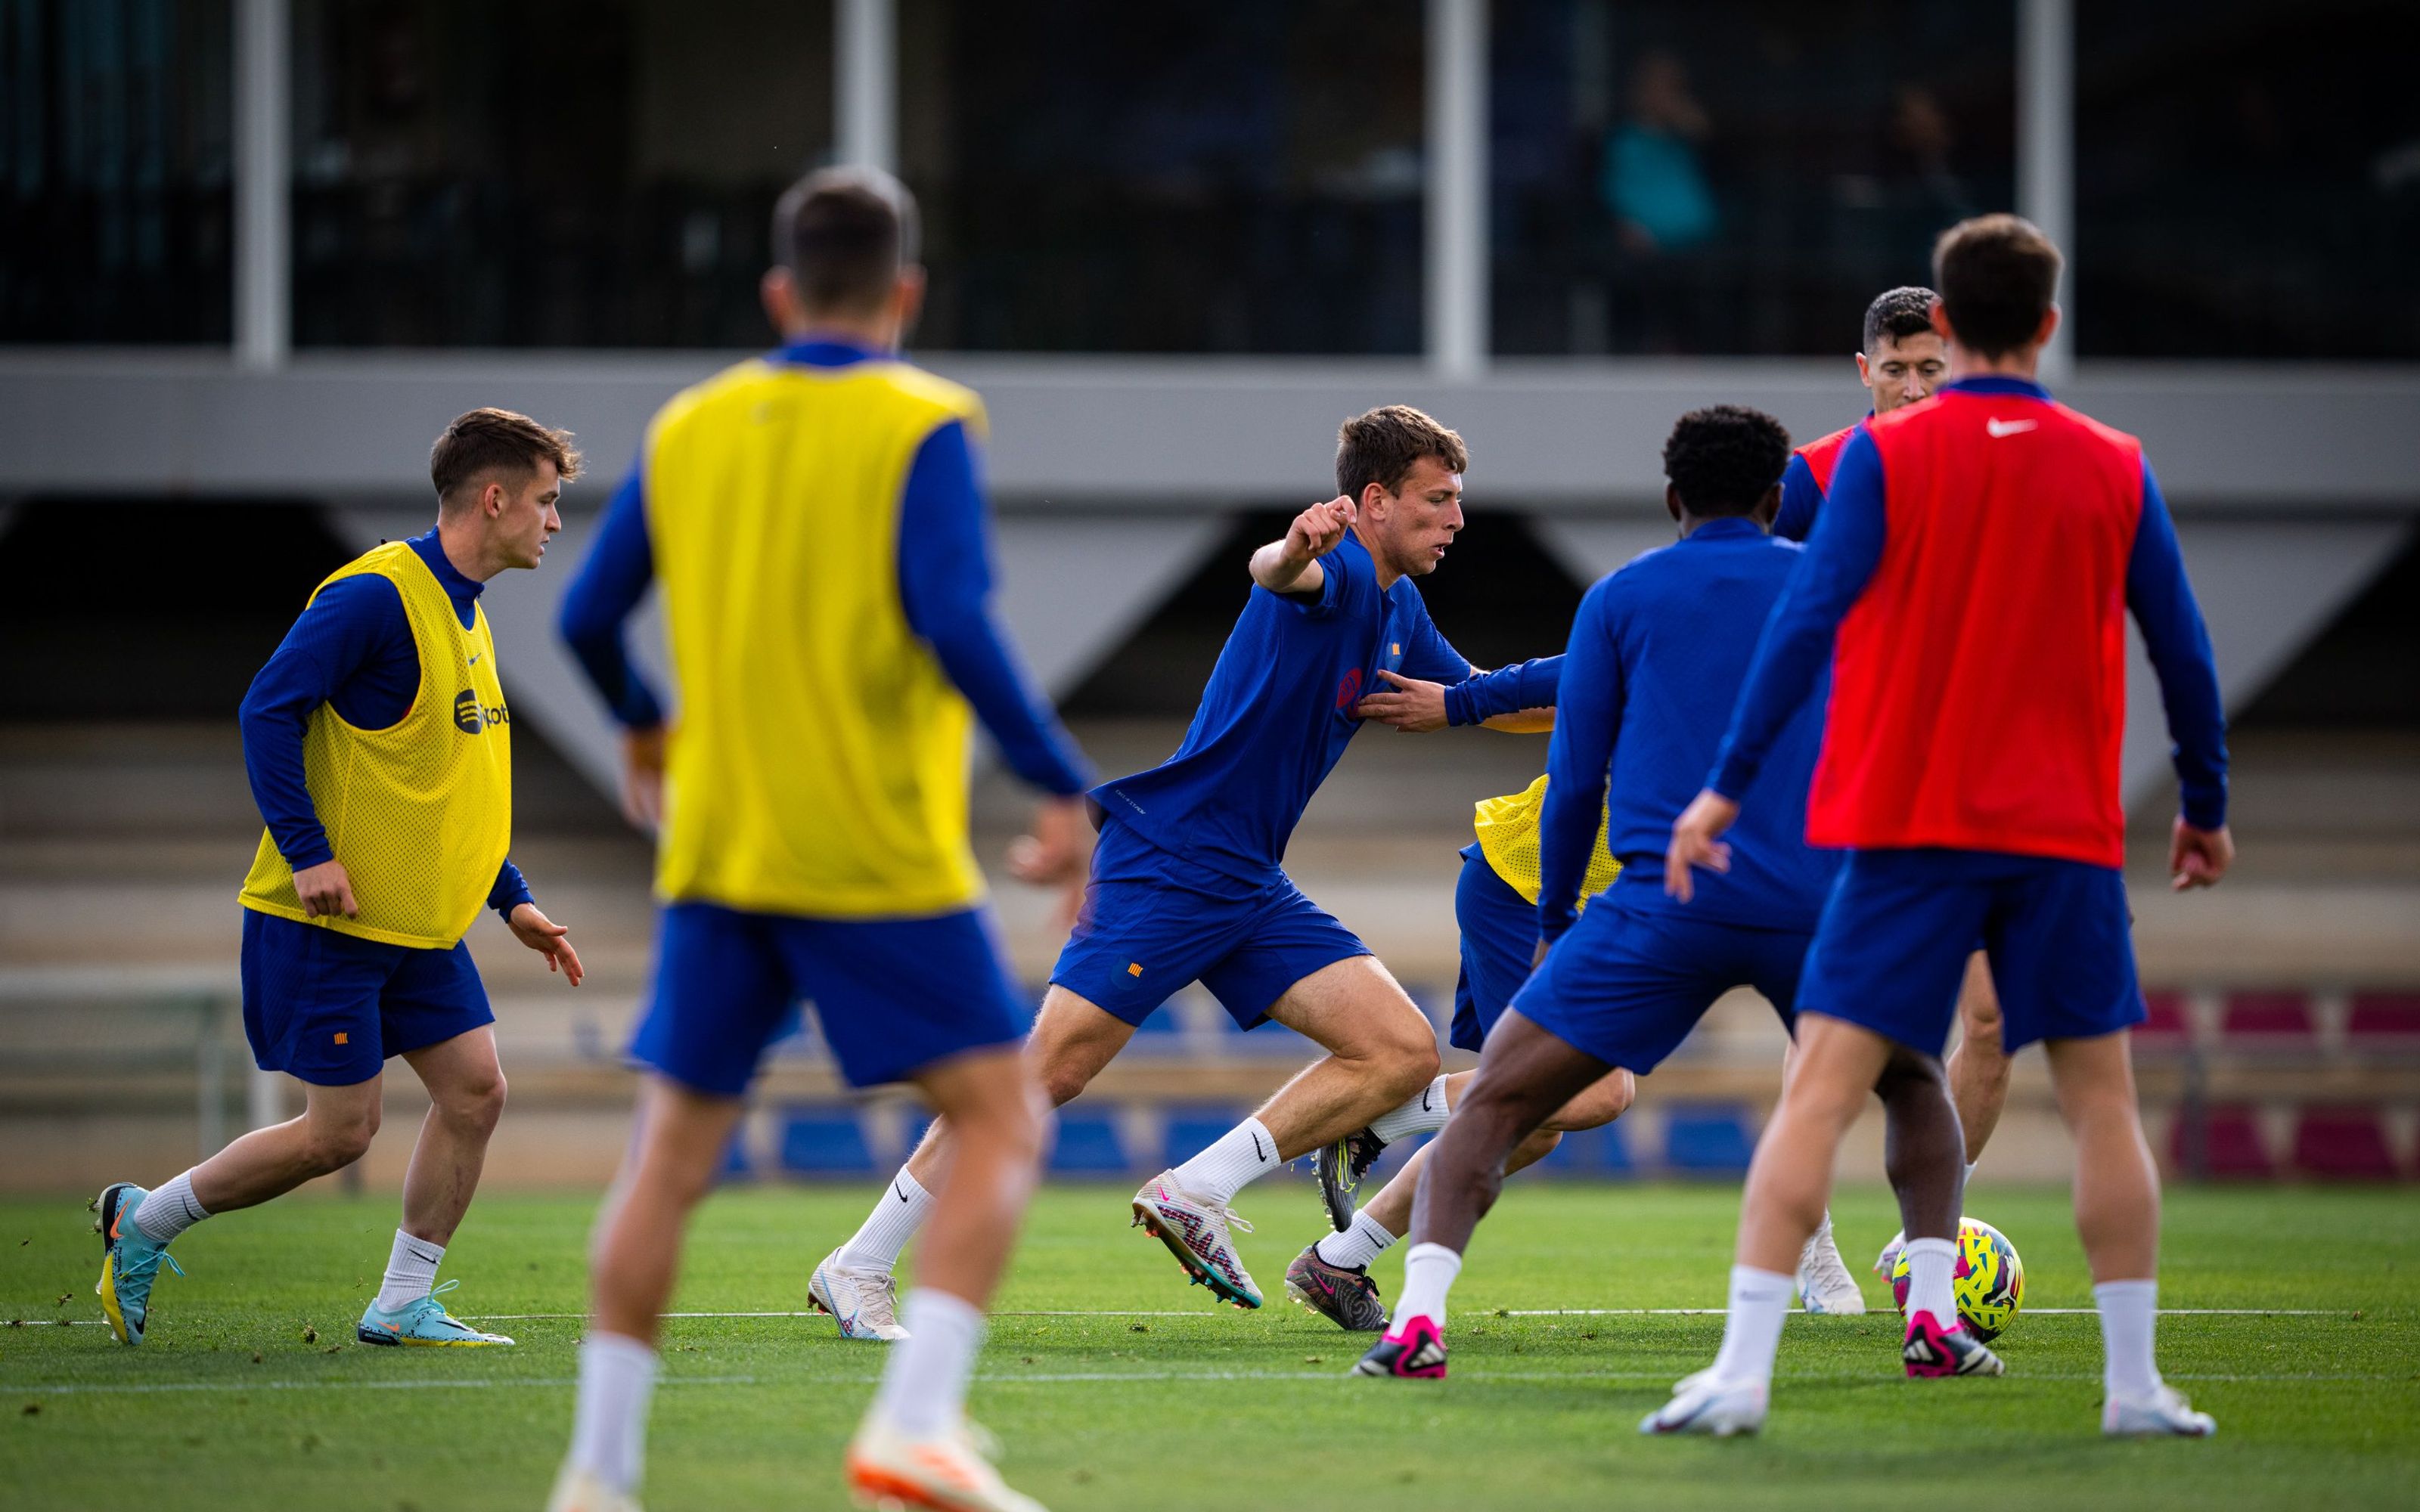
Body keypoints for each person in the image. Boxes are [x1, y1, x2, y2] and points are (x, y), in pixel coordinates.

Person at [549, 167, 1092, 1512]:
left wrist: (643, 724)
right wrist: (1060, 784)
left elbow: (581, 624)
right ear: (906, 293)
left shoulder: (690, 425)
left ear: (778, 293)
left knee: (667, 1163)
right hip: (875, 855)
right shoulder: (926, 421)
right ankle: (915, 1423)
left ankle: (597, 1477)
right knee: (1004, 1119)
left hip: (720, 853)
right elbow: (956, 620)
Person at [1650, 214, 2231, 1439]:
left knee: (1821, 1091)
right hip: (2063, 831)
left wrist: (1723, 786)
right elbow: (2181, 647)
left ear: (1950, 333)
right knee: (2105, 1105)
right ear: (2049, 326)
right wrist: (2204, 805)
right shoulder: (2114, 462)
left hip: (1907, 823)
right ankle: (2134, 1389)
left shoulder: (1881, 462)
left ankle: (1741, 1378)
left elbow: (1799, 625)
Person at [806, 404, 1560, 1326]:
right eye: (1436, 500)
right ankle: (858, 1262)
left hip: (1244, 877)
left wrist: (1594, 694)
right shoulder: (1342, 573)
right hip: (1171, 857)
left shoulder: (1399, 607)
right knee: (1044, 1072)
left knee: (1398, 1050)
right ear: (1372, 500)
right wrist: (1287, 547)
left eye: (1455, 501)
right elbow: (1277, 573)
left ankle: (1196, 1188)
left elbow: (1481, 698)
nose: (1453, 519)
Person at [1350, 406, 1972, 1383]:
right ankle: (1933, 1317)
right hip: (1808, 897)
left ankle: (1417, 1324)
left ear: (1675, 499)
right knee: (1914, 1084)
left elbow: (1578, 780)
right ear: (1779, 500)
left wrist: (1558, 922)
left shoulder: (1621, 598)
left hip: (1659, 902)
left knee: (1502, 1099)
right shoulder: (1840, 587)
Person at [92, 408, 587, 1352]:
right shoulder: (373, 595)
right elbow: (265, 711)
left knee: (477, 1090)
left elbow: (448, 783)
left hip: (421, 927)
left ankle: (401, 1301)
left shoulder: (469, 614)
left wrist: (511, 897)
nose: (555, 520)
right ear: (495, 499)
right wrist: (310, 850)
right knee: (339, 1134)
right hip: (332, 921)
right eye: (546, 500)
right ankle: (143, 1220)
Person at [1776, 284, 2009, 1302]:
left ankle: (1928, 1239)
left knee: (1997, 1022)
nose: (1917, 390)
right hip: (1846, 782)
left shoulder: (2002, 474)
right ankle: (1804, 1232)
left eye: (1935, 371)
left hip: (1974, 780)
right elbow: (1761, 624)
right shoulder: (1813, 480)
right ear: (1864, 372)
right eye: (1898, 371)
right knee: (1831, 1023)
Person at [1279, 769, 1636, 1334]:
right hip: (1530, 892)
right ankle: (1373, 1122)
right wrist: (1464, 697)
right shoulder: (1689, 692)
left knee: (1534, 1128)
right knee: (1597, 1093)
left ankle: (1338, 1261)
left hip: (1585, 907)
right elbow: (1553, 689)